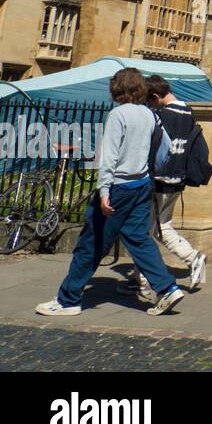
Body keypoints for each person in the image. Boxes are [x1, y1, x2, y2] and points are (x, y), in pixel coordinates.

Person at [36, 68, 185, 318]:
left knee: (90, 244)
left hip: (118, 187)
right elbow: (167, 147)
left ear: (118, 88)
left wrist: (104, 191)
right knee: (139, 238)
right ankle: (167, 287)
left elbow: (109, 157)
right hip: (141, 184)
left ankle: (68, 299)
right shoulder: (149, 114)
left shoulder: (118, 115)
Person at [118, 76, 209, 302]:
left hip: (159, 180)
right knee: (152, 228)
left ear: (156, 97)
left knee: (151, 230)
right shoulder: (188, 113)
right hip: (177, 179)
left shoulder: (161, 116)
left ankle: (190, 259)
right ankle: (142, 277)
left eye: (151, 101)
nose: (150, 105)